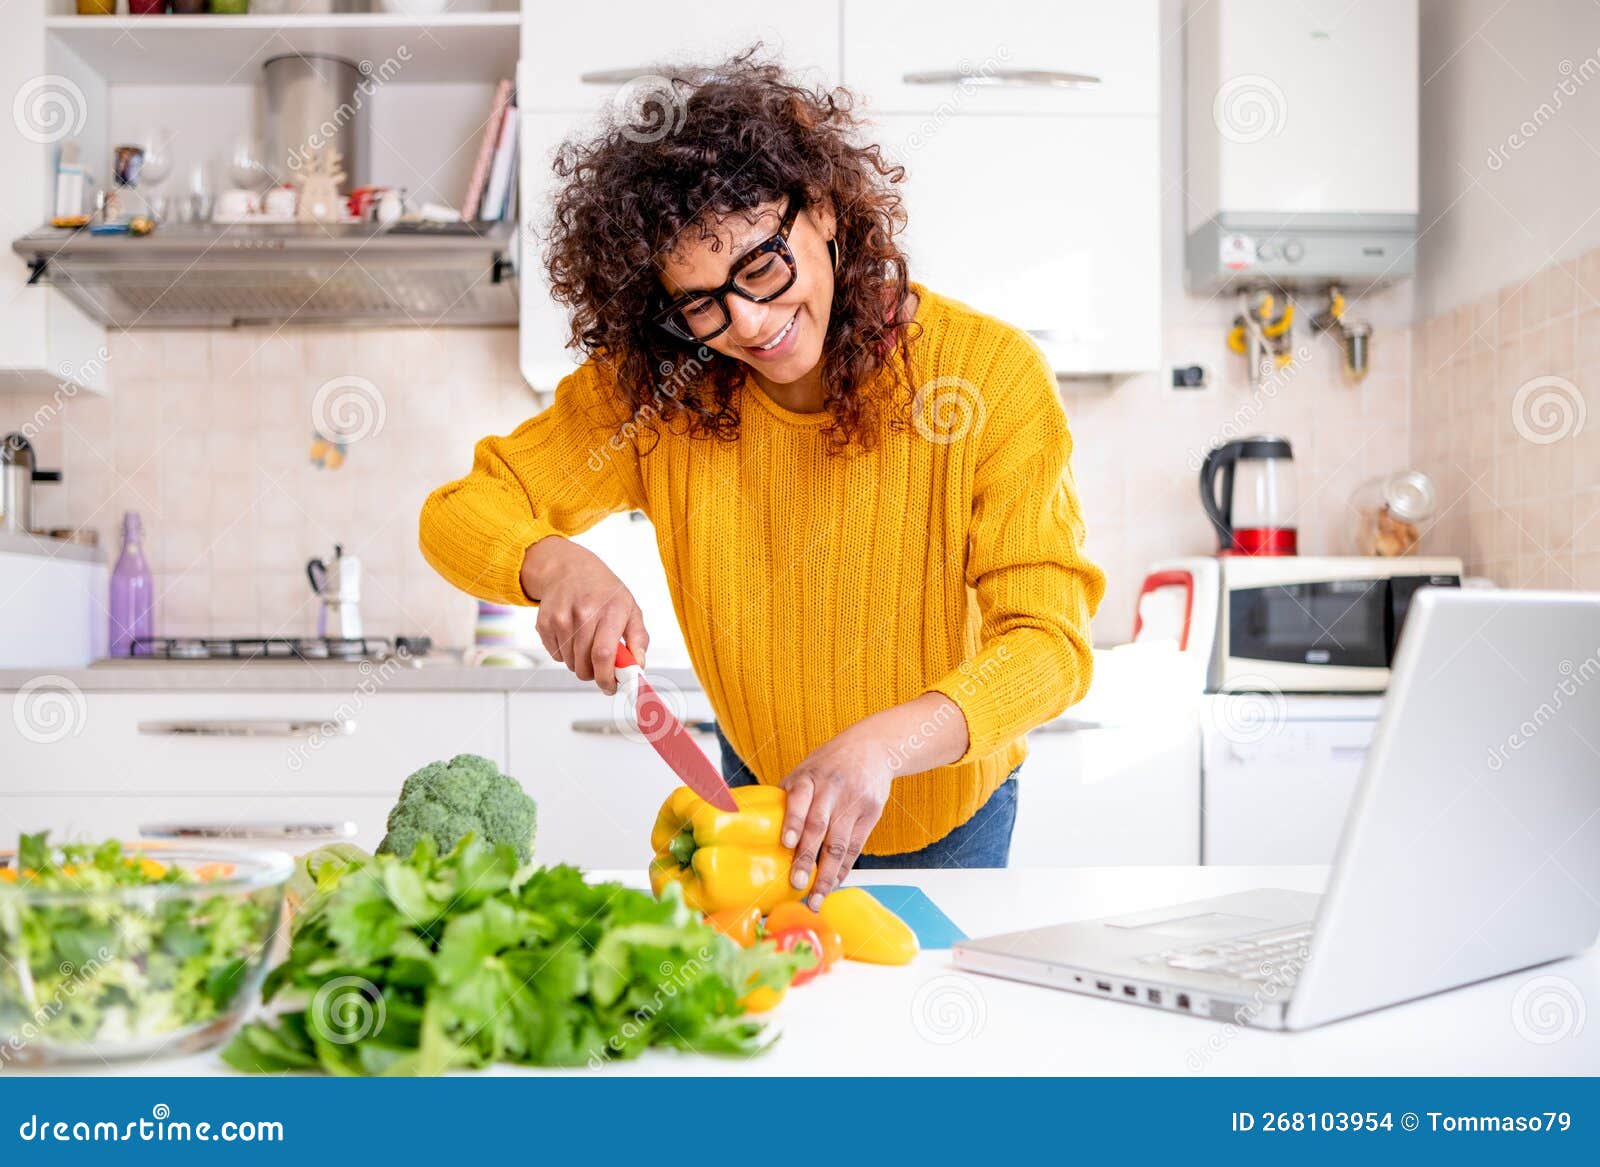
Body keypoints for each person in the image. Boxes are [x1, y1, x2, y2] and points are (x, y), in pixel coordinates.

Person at [419, 55, 1104, 907]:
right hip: (756, 803)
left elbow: (1049, 645)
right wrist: (552, 563)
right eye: (699, 300)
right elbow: (459, 512)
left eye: (763, 266)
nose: (744, 321)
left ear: (821, 210)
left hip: (947, 815)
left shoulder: (987, 376)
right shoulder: (660, 390)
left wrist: (883, 748)